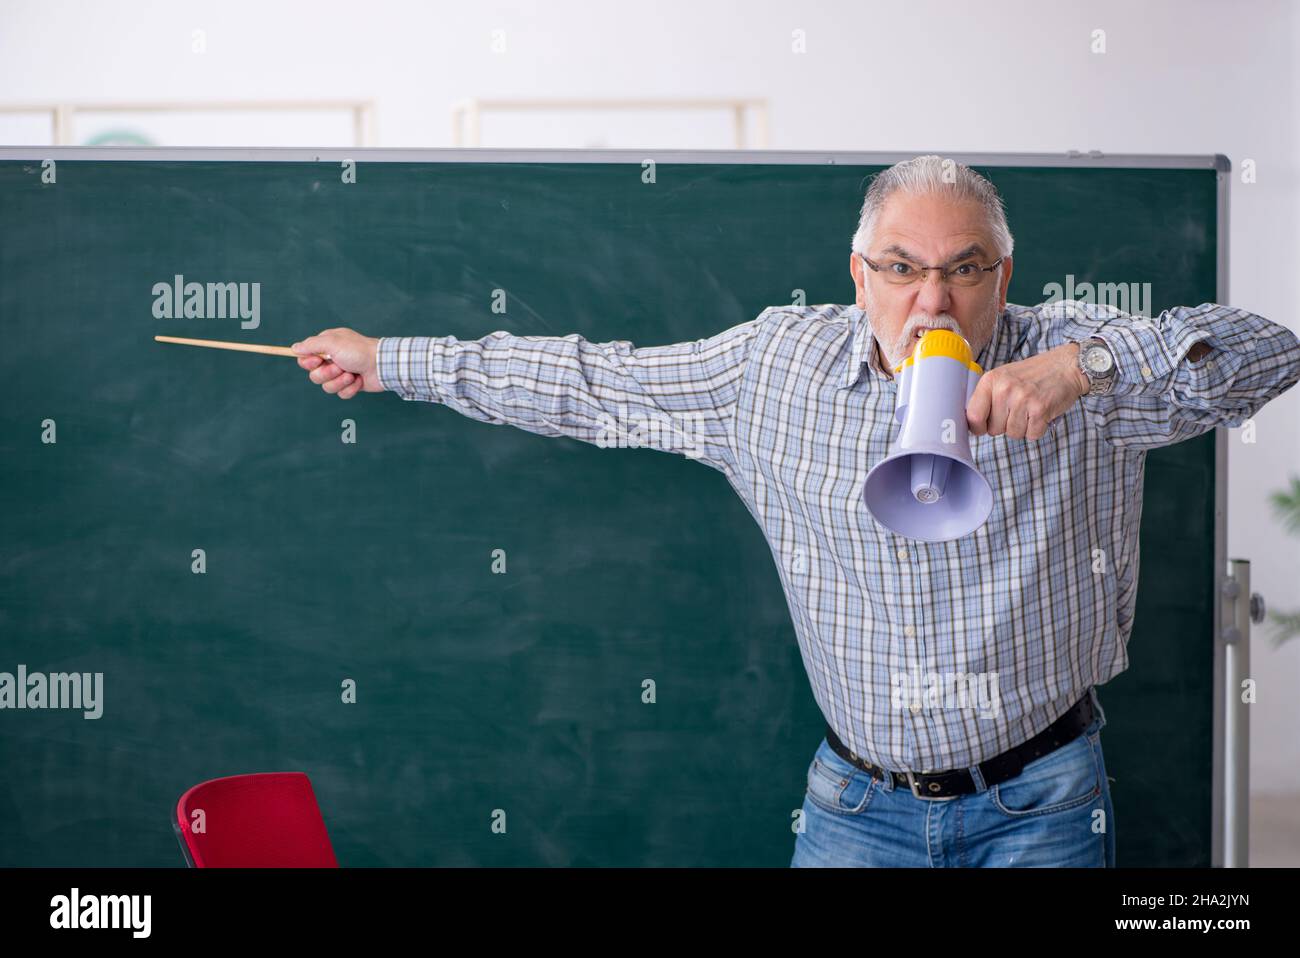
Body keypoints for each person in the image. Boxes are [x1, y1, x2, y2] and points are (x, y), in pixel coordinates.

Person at [290, 154, 1300, 867]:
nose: (933, 300)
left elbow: (1271, 349)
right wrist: (390, 361)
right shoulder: (776, 367)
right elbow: (593, 384)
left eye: (964, 269)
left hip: (1043, 799)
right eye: (901, 268)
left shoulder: (1071, 357)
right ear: (858, 277)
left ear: (1005, 277)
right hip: (856, 809)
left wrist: (1083, 368)